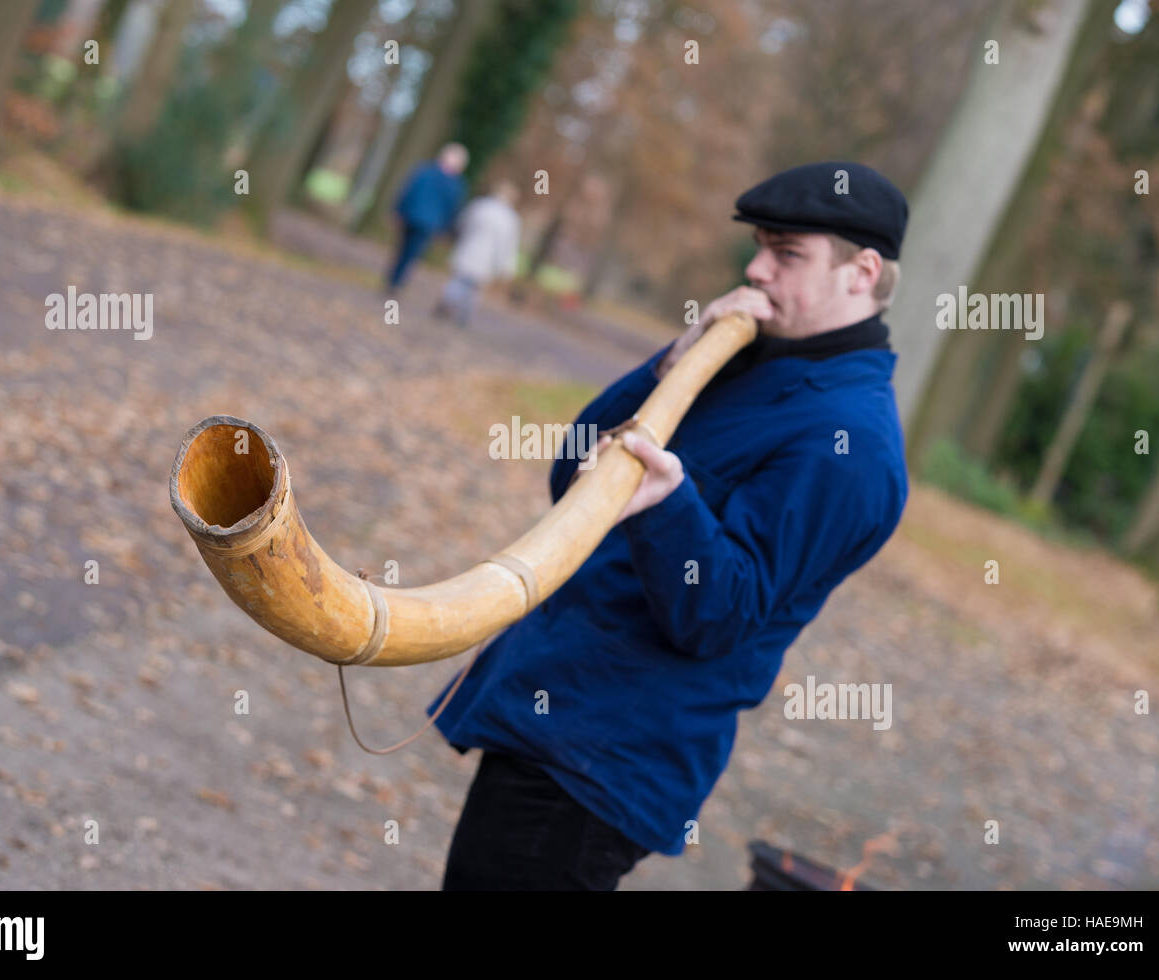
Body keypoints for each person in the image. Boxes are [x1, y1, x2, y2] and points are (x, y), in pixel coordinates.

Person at [426, 160, 912, 890]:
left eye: (787, 254)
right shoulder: (750, 362)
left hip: (604, 762)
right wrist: (670, 365)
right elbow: (575, 479)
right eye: (759, 247)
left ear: (862, 272)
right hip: (553, 716)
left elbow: (721, 615)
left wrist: (669, 504)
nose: (756, 269)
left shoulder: (851, 443)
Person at [432, 180, 522, 327]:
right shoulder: (510, 219)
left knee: (459, 280)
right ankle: (464, 313)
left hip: (469, 249)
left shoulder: (480, 206)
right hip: (487, 260)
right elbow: (507, 246)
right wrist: (506, 267)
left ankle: (448, 301)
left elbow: (462, 223)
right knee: (474, 287)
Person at [385, 143, 468, 293]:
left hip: (413, 216)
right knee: (412, 252)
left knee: (403, 248)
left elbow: (409, 190)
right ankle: (397, 280)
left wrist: (399, 209)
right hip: (428, 223)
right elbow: (451, 209)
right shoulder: (454, 184)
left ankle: (394, 278)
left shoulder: (425, 171)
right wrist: (445, 228)